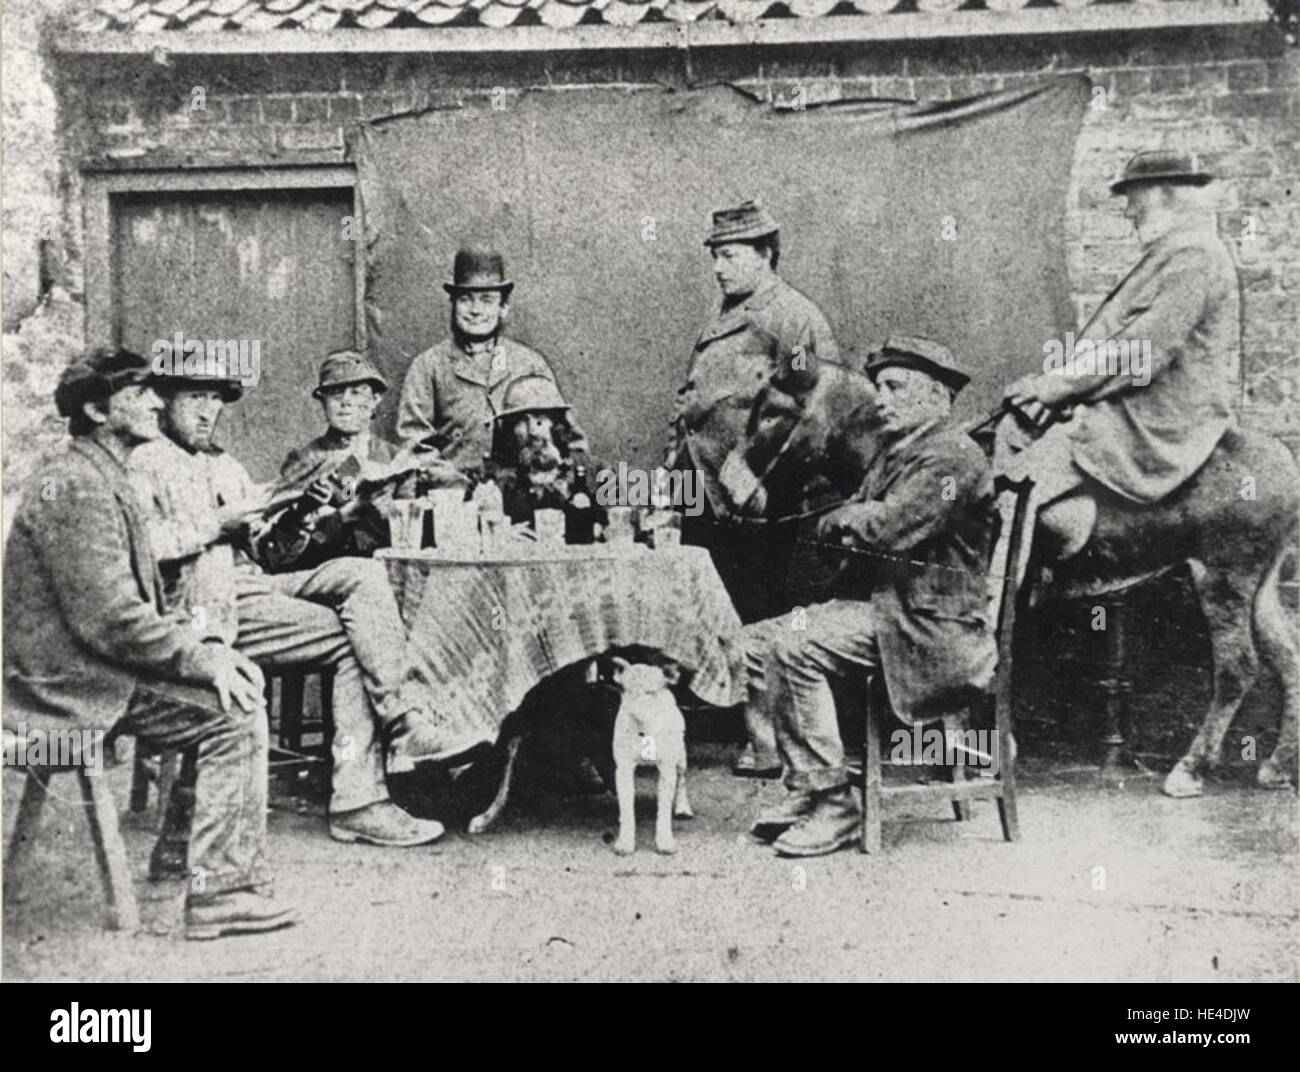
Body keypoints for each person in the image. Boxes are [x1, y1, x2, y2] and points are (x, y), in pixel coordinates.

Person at [3, 347, 296, 940]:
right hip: (68, 686)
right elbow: (111, 621)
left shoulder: (98, 473)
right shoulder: (77, 485)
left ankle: (180, 857)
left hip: (84, 669)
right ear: (95, 408)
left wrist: (204, 655)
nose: (157, 403)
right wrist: (202, 656)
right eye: (138, 395)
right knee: (235, 713)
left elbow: (120, 617)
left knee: (226, 683)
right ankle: (220, 891)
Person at [127, 368, 448, 848]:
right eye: (194, 397)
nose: (207, 410)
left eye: (215, 399)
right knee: (355, 640)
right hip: (192, 607)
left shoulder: (226, 466)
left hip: (249, 588)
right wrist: (218, 522)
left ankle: (404, 724)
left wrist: (299, 513)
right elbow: (139, 549)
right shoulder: (144, 462)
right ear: (165, 402)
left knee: (362, 578)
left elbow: (271, 554)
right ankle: (360, 800)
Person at [743, 336, 995, 857]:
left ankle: (835, 804)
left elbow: (886, 529)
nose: (880, 398)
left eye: (895, 387)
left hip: (931, 627)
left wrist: (852, 521)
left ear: (936, 397)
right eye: (880, 386)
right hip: (888, 611)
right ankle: (809, 784)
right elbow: (851, 522)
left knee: (797, 646)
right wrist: (850, 520)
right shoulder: (898, 453)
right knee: (758, 641)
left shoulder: (952, 458)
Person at [666, 198, 841, 777]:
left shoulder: (791, 316)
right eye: (715, 255)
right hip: (706, 488)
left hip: (760, 496)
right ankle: (750, 730)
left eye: (732, 254)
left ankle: (769, 745)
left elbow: (813, 405)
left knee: (761, 612)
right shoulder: (725, 316)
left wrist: (757, 471)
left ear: (766, 254)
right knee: (721, 609)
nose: (719, 266)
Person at [996, 150, 1239, 560]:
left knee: (1019, 488)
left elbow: (1141, 350)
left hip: (1155, 418)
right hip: (1132, 403)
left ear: (1168, 194)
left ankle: (996, 612)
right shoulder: (1172, 253)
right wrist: (1050, 391)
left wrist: (1053, 388)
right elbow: (1110, 340)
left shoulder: (1194, 258)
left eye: (1134, 197)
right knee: (1012, 430)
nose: (1128, 211)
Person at [395, 247, 588, 474]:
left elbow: (568, 438)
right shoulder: (429, 366)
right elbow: (413, 444)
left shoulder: (529, 363)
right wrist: (454, 483)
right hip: (453, 497)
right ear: (453, 305)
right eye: (466, 299)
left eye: (487, 301)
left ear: (503, 308)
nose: (476, 310)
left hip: (521, 495)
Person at [272, 351, 450, 569]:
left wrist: (391, 511)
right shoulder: (305, 460)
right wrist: (344, 514)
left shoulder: (397, 460)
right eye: (335, 393)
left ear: (375, 400)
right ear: (323, 402)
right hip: (323, 574)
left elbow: (412, 534)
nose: (346, 402)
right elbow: (280, 551)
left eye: (356, 393)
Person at [480, 374, 593, 526]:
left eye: (540, 418)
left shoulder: (595, 472)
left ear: (558, 423)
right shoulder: (497, 486)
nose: (533, 431)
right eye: (522, 421)